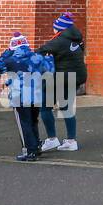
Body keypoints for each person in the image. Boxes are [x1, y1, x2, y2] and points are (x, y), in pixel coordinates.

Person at [0, 32, 54, 161]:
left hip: (19, 96)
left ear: (12, 46)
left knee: (24, 124)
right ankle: (36, 147)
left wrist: (6, 52)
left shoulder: (10, 60)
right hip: (37, 94)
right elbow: (50, 70)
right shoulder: (37, 57)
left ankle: (29, 151)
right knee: (33, 121)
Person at [36, 12, 86, 152]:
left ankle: (52, 139)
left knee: (45, 107)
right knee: (66, 108)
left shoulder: (59, 41)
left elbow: (39, 52)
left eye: (55, 27)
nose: (53, 30)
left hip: (60, 78)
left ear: (60, 28)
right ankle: (71, 140)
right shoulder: (77, 38)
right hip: (75, 77)